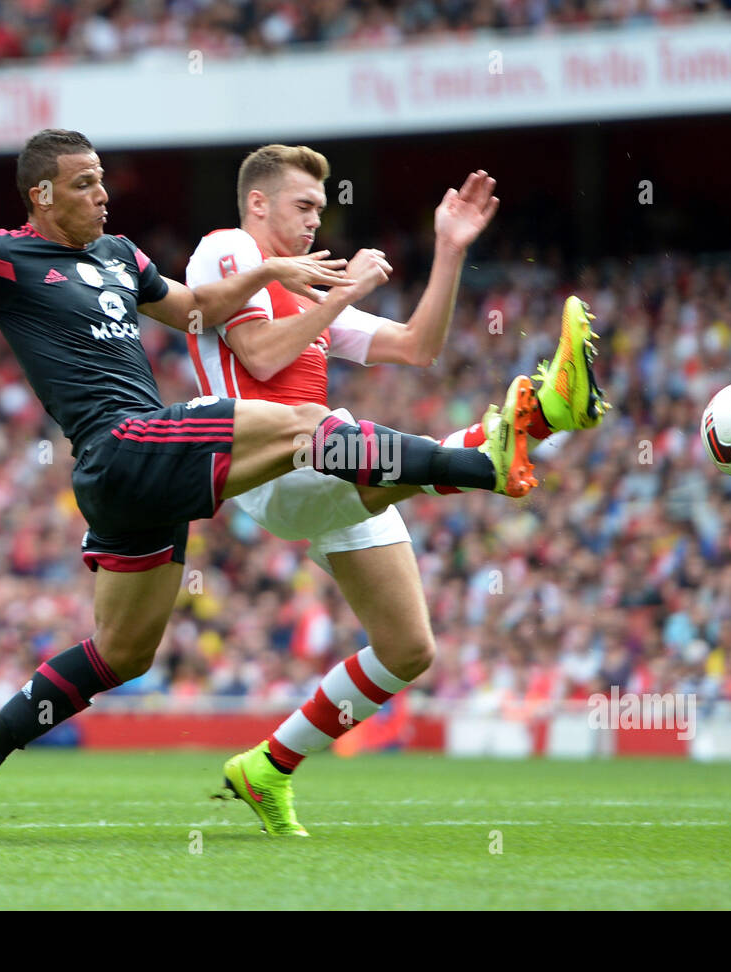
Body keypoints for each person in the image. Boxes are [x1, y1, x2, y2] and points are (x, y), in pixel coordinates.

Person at [0, 128, 541, 835]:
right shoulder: (0, 255)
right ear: (43, 195)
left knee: (123, 654)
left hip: (137, 471)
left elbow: (197, 312)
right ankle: (482, 462)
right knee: (305, 427)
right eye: (88, 183)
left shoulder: (120, 256)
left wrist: (270, 267)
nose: (104, 194)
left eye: (104, 181)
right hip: (118, 444)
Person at [184, 144, 608, 834]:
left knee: (409, 648)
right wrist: (345, 294)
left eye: (321, 208)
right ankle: (529, 423)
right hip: (266, 463)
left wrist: (449, 249)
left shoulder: (312, 293)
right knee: (334, 429)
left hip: (334, 464)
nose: (317, 219)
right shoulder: (226, 249)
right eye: (304, 205)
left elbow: (417, 346)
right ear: (258, 204)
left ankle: (266, 766)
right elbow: (260, 354)